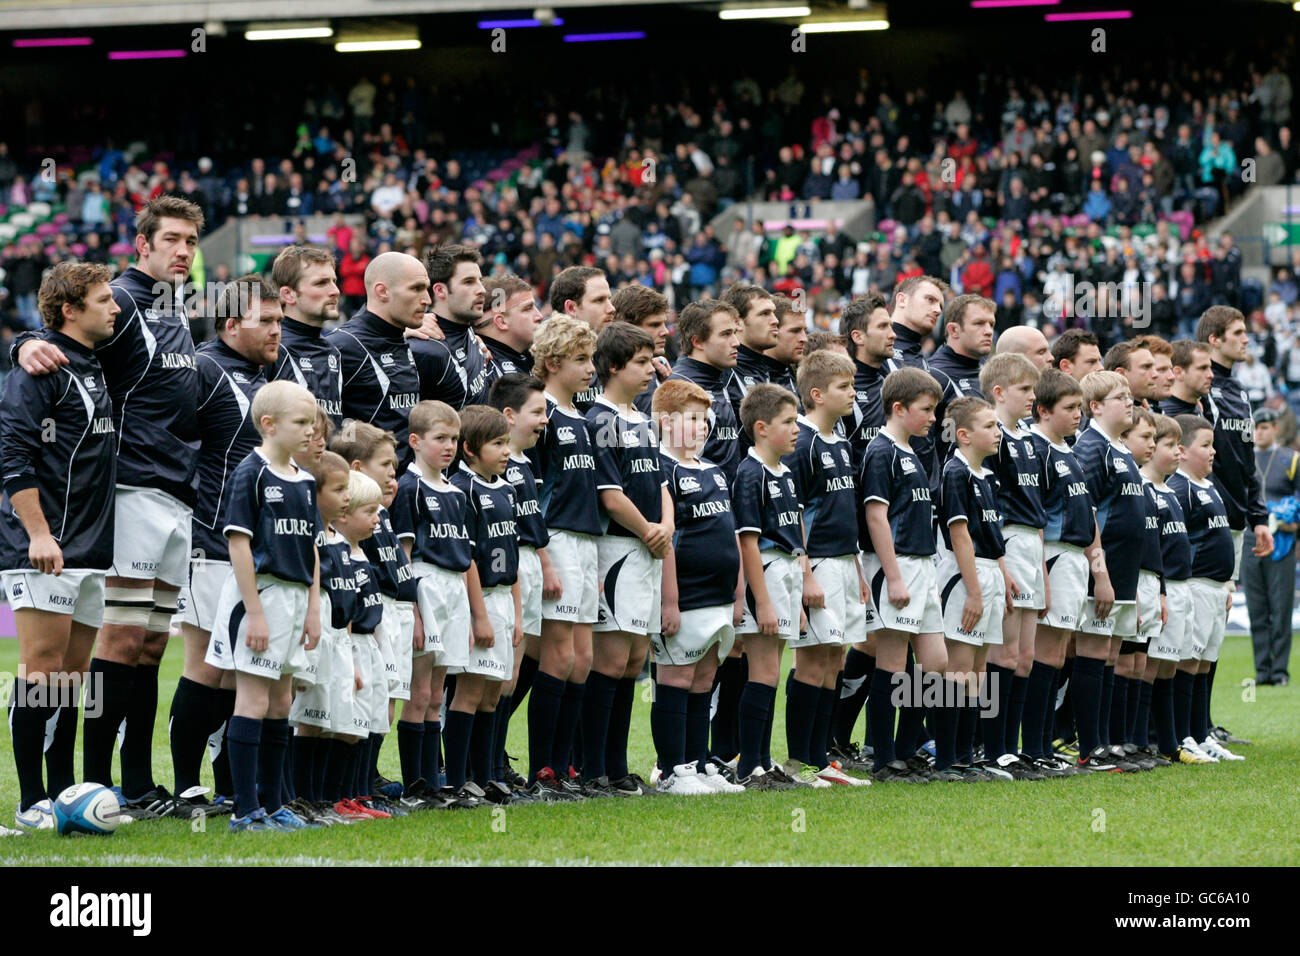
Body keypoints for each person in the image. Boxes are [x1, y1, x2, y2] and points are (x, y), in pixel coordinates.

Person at [15, 196, 206, 819]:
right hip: (126, 493)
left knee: (150, 646)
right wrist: (22, 342)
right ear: (141, 243)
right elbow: (56, 339)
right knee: (117, 644)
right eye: (171, 239)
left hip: (175, 493)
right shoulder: (117, 302)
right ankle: (95, 781)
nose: (183, 250)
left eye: (191, 241)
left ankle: (137, 783)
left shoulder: (176, 312)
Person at [1, 262, 118, 832]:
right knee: (41, 671)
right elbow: (12, 457)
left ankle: (61, 793)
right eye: (103, 300)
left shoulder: (94, 362)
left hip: (90, 548)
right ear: (70, 310)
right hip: (46, 544)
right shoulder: (39, 368)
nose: (114, 307)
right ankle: (29, 803)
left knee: (74, 677)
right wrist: (40, 534)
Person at [169, 275, 280, 819]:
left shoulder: (267, 374)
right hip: (209, 539)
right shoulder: (204, 369)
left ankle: (233, 787)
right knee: (205, 668)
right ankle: (186, 787)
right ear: (232, 324)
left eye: (282, 320)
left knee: (242, 672)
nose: (278, 331)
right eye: (268, 321)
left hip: (257, 547)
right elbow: (171, 438)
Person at [204, 380, 323, 831]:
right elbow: (238, 544)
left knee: (281, 702)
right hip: (263, 597)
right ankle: (243, 810)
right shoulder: (250, 472)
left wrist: (313, 608)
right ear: (269, 425)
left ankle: (273, 804)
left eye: (313, 422)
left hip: (296, 600)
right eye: (301, 423)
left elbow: (311, 549)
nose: (311, 431)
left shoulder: (306, 480)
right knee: (252, 699)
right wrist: (253, 611)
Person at [584, 324, 672, 796]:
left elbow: (659, 481)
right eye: (641, 362)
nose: (650, 369)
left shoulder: (640, 417)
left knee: (637, 655)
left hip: (649, 548)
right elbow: (609, 495)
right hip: (620, 548)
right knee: (613, 659)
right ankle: (595, 767)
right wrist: (647, 530)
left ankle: (617, 768)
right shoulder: (599, 418)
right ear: (614, 366)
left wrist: (667, 527)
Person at [650, 379, 743, 794]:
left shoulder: (716, 472)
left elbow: (732, 533)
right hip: (685, 594)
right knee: (677, 676)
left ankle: (700, 763)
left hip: (719, 596)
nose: (702, 427)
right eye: (692, 419)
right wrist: (669, 600)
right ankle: (672, 770)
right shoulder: (661, 469)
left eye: (705, 420)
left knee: (705, 678)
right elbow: (666, 539)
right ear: (665, 422)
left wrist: (739, 592)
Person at [524, 316, 602, 799]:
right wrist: (543, 553)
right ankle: (543, 770)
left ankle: (567, 764)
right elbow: (531, 488)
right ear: (552, 363)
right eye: (581, 360)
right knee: (557, 654)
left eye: (592, 358)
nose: (591, 368)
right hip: (557, 538)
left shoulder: (582, 415)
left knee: (582, 658)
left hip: (587, 540)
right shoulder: (543, 414)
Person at [784, 351, 871, 787]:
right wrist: (805, 574)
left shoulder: (840, 441)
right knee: (812, 661)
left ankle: (823, 758)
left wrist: (857, 569)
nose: (853, 392)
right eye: (844, 386)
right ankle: (801, 761)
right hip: (815, 563)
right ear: (816, 394)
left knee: (835, 657)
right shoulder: (801, 441)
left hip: (844, 562)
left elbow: (843, 512)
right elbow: (795, 512)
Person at [859, 367, 949, 783]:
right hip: (897, 568)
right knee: (893, 664)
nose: (934, 418)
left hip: (923, 565)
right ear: (898, 408)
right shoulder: (881, 451)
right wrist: (892, 576)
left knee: (935, 663)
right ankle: (883, 759)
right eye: (926, 410)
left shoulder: (911, 450)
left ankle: (908, 750)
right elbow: (876, 517)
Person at [392, 400, 481, 808]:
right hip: (425, 584)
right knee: (418, 690)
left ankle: (435, 782)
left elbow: (464, 553)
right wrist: (411, 612)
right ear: (415, 440)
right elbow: (404, 556)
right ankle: (416, 785)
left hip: (453, 588)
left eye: (454, 439)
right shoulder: (409, 487)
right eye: (439, 438)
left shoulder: (457, 491)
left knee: (437, 692)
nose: (448, 446)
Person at [1195, 306, 1273, 746]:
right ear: (1214, 339)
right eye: (1238, 333)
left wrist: (1258, 517)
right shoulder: (1202, 395)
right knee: (1201, 622)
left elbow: (1247, 464)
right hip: (1213, 518)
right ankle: (1193, 724)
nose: (1247, 339)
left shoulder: (1240, 392)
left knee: (1215, 625)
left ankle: (1203, 722)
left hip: (1239, 522)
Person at [330, 423, 416, 802]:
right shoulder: (350, 522)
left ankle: (367, 784)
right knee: (361, 708)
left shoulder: (382, 514)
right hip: (370, 625)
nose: (393, 476)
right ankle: (348, 790)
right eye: (387, 466)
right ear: (360, 469)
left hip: (391, 620)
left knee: (383, 706)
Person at [732, 384, 813, 788]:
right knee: (761, 672)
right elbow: (747, 541)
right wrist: (762, 603)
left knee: (772, 673)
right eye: (788, 422)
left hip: (784, 574)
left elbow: (794, 538)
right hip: (763, 572)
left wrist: (794, 600)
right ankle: (750, 766)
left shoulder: (785, 471)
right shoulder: (750, 474)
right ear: (761, 428)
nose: (797, 428)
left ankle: (763, 762)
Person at [487, 374, 564, 793]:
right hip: (508, 574)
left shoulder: (524, 463)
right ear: (509, 415)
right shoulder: (494, 469)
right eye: (537, 412)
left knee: (516, 672)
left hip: (530, 570)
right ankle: (487, 767)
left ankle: (494, 764)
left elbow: (532, 524)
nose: (545, 421)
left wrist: (546, 564)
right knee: (501, 673)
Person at [448, 406, 524, 804]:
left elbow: (512, 556)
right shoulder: (464, 489)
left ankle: (486, 774)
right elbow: (469, 559)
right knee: (471, 691)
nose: (506, 451)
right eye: (497, 444)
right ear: (470, 449)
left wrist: (516, 613)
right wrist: (479, 615)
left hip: (504, 600)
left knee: (495, 692)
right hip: (478, 601)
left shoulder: (507, 488)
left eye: (507, 442)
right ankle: (459, 778)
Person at [979, 353, 1050, 778]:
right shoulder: (993, 439)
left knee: (1025, 656)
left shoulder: (1027, 439)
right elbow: (987, 504)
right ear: (1000, 392)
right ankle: (995, 749)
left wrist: (1039, 563)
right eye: (1024, 389)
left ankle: (1013, 747)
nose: (1032, 396)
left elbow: (1037, 505)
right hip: (1004, 542)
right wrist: (1001, 562)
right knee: (1002, 653)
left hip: (1030, 545)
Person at [1073, 370, 1146, 772]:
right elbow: (1088, 512)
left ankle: (1106, 743)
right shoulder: (1091, 448)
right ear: (1096, 407)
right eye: (1120, 397)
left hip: (1125, 569)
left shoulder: (1119, 448)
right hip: (1103, 571)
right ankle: (1089, 748)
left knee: (1111, 653)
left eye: (1130, 395)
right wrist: (1098, 572)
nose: (1130, 401)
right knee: (1094, 651)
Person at [934, 397, 1009, 781]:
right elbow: (960, 534)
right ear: (963, 435)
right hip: (964, 577)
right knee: (958, 669)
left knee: (979, 670)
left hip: (988, 574)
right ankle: (947, 759)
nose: (998, 433)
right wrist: (975, 590)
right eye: (990, 427)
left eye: (998, 426)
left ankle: (967, 755)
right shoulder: (955, 472)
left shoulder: (987, 474)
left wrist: (1003, 574)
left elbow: (991, 534)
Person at [1025, 370, 1096, 775]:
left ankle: (1042, 744)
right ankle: (1032, 746)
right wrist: (1041, 570)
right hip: (1050, 554)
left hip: (1072, 556)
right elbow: (1033, 513)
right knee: (1040, 653)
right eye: (1069, 409)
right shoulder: (1036, 449)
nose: (1077, 417)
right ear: (1043, 410)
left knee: (1053, 654)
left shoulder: (1067, 449)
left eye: (1080, 409)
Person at [288, 450, 361, 824]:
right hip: (314, 629)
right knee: (307, 714)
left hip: (336, 635)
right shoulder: (312, 530)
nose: (347, 496)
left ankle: (317, 799)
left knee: (323, 717)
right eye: (339, 489)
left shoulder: (337, 534)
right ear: (315, 493)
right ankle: (299, 797)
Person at [1168, 415, 1246, 763]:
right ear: (1182, 451)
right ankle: (1182, 736)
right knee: (1188, 660)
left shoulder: (1208, 485)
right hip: (1195, 586)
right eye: (1205, 445)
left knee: (1203, 663)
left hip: (1216, 589)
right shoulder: (1180, 489)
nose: (1213, 452)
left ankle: (1201, 734)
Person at [1140, 415, 1208, 765]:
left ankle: (1171, 741)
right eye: (1169, 445)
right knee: (1150, 665)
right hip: (1160, 589)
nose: (1177, 452)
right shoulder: (1146, 489)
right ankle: (1145, 740)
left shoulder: (1170, 491)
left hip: (1182, 589)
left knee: (1169, 665)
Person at [327, 470, 393, 818]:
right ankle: (335, 796)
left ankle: (357, 794)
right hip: (350, 648)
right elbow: (345, 612)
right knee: (347, 724)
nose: (377, 519)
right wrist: (350, 659)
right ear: (344, 514)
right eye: (370, 512)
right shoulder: (337, 553)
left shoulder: (360, 553)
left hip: (370, 648)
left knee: (367, 722)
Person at [327, 252, 426, 465]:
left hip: (409, 484)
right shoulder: (342, 346)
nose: (426, 299)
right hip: (367, 489)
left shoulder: (412, 339)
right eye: (416, 289)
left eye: (426, 288)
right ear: (382, 291)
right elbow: (329, 431)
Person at [642, 299, 743, 486]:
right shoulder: (677, 389)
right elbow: (668, 469)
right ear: (697, 342)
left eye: (735, 333)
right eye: (726, 334)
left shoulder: (723, 377)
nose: (736, 342)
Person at [1116, 408, 1163, 768]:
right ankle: (1114, 739)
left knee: (1138, 661)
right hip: (1125, 577)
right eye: (1145, 437)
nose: (1151, 444)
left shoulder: (1145, 484)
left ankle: (1133, 739)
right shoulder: (1122, 475)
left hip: (1146, 580)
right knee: (1120, 658)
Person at [1241, 407, 1298, 686]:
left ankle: (1280, 671)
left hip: (1283, 542)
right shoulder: (1243, 457)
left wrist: (1291, 522)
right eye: (1256, 427)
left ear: (1275, 428)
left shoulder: (1291, 459)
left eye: (1264, 427)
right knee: (1257, 607)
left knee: (1281, 607)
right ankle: (1262, 670)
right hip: (1251, 538)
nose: (1259, 432)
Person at [270, 245, 345, 428]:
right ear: (288, 294)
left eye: (334, 281)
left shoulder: (333, 351)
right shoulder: (271, 348)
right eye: (321, 283)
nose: (335, 290)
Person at [424, 243, 491, 406]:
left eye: (480, 281)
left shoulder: (468, 330)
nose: (482, 289)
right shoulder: (425, 349)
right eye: (469, 282)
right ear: (440, 290)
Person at [549, 266, 615, 413]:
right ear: (572, 308)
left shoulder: (613, 352)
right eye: (599, 300)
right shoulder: (540, 360)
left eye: (609, 299)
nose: (611, 308)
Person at [479, 274, 539, 377]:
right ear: (501, 322)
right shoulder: (479, 365)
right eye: (528, 308)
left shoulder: (533, 356)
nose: (539, 316)